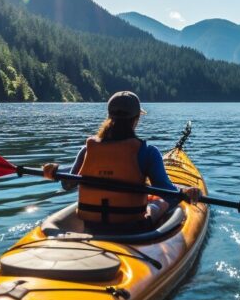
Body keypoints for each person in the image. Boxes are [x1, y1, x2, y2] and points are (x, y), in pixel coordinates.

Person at [42, 91, 201, 229]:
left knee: (150, 196)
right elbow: (168, 192)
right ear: (136, 118)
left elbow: (68, 183)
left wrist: (55, 171)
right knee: (159, 201)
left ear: (109, 116)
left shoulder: (87, 150)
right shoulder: (147, 152)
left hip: (91, 224)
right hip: (131, 226)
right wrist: (184, 191)